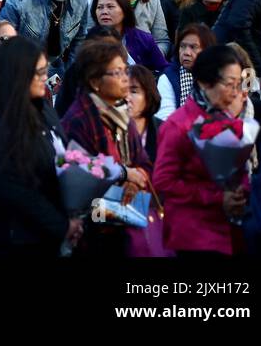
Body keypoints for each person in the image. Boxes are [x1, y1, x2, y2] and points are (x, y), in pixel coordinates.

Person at [0, 37, 78, 256]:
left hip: (46, 237)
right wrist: (60, 224)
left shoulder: (43, 109)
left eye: (45, 71)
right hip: (10, 239)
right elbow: (8, 184)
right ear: (17, 73)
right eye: (38, 72)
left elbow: (60, 156)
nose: (44, 78)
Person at [153, 45, 251, 256]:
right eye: (229, 84)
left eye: (238, 84)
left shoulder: (228, 120)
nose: (235, 93)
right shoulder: (178, 125)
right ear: (205, 82)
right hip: (192, 235)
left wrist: (240, 192)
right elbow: (164, 181)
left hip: (228, 230)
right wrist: (216, 197)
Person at [59, 38, 154, 255]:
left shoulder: (122, 114)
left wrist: (136, 181)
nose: (125, 80)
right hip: (93, 235)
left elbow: (144, 162)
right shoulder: (79, 120)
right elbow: (79, 189)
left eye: (125, 71)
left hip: (124, 222)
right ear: (94, 82)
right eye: (117, 73)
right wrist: (123, 177)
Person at [157, 22, 216, 122]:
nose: (186, 53)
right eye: (182, 46)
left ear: (207, 50)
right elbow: (165, 119)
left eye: (193, 47)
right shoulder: (168, 78)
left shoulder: (219, 76)